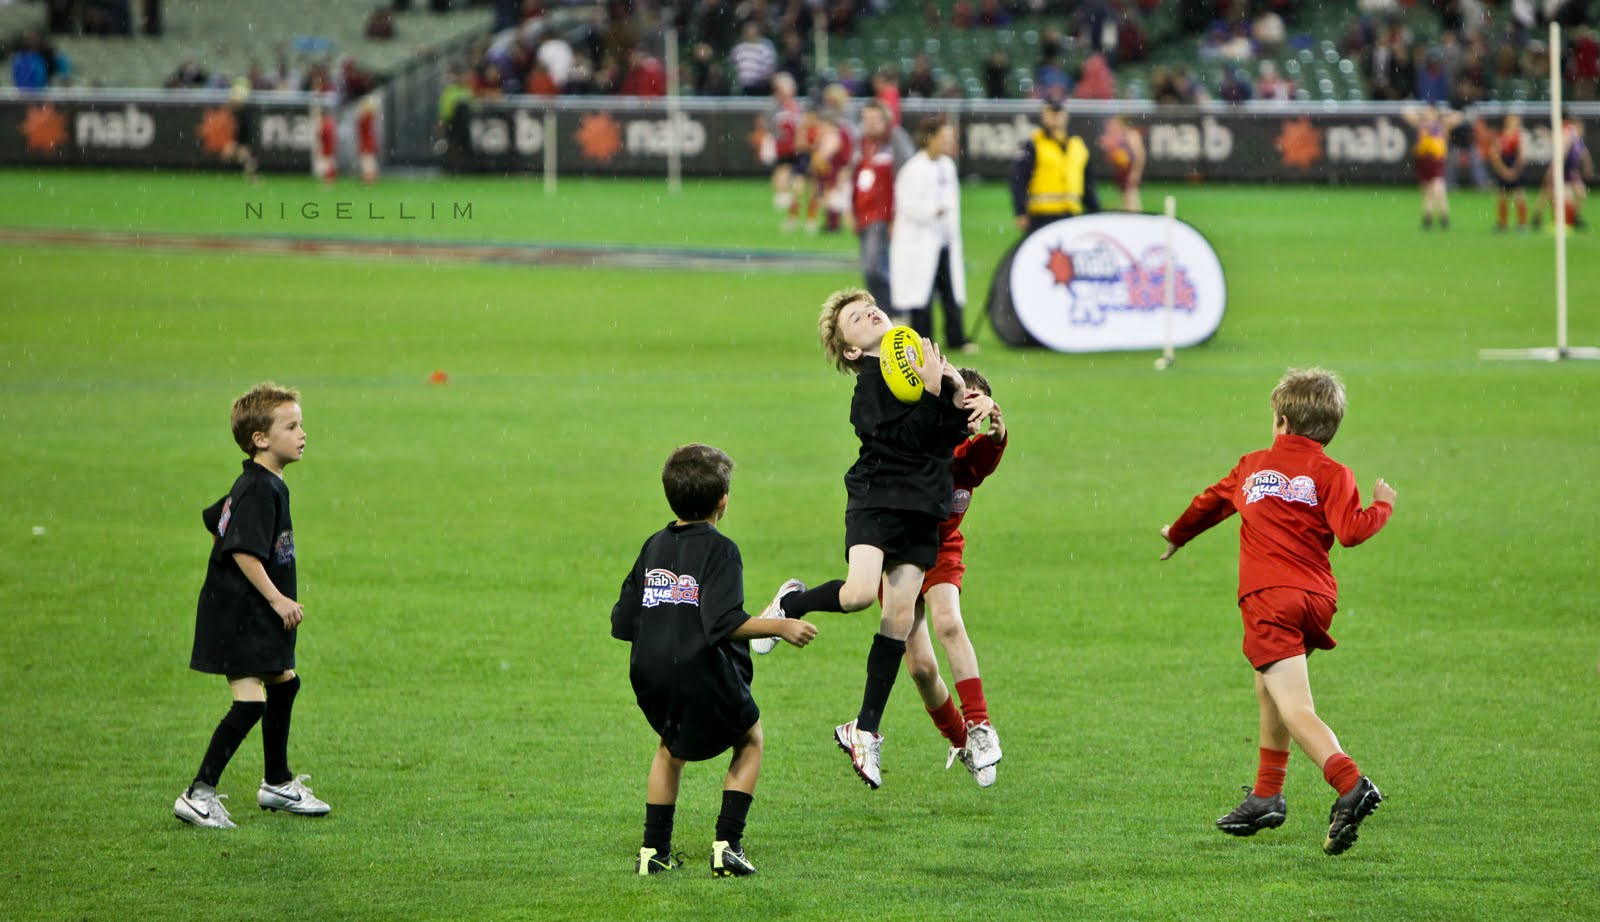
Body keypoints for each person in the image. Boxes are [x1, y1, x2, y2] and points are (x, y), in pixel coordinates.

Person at [750, 289, 987, 790]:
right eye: (856, 318)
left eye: (871, 307)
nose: (870, 313)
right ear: (852, 350)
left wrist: (953, 392)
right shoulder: (869, 389)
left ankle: (865, 730)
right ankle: (792, 601)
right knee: (859, 595)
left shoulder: (926, 361)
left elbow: (946, 441)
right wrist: (927, 393)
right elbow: (901, 442)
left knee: (897, 623)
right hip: (877, 500)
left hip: (924, 510)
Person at [1158, 368, 1396, 857]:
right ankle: (1267, 794)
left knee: (1294, 705)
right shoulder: (1334, 473)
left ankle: (1350, 783)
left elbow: (1210, 504)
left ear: (1282, 421)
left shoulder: (1251, 466)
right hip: (1316, 600)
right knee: (1268, 683)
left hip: (1269, 598)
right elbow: (1350, 532)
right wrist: (1381, 507)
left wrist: (1179, 534)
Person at [610, 444, 817, 876]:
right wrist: (780, 626)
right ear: (723, 501)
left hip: (649, 672)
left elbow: (623, 620)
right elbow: (723, 623)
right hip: (699, 671)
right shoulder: (721, 550)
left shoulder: (653, 546)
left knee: (670, 746)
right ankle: (727, 845)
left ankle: (653, 853)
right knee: (749, 738)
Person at [175, 383, 329, 828]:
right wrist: (275, 597)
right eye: (292, 426)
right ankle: (198, 793)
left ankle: (277, 783)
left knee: (284, 683)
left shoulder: (258, 483)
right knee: (250, 703)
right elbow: (242, 548)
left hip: (243, 610)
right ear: (260, 439)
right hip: (241, 615)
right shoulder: (260, 489)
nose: (302, 433)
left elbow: (216, 521)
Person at [901, 366, 1006, 787]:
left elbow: (993, 445)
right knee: (922, 669)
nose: (969, 417)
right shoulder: (921, 445)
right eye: (962, 403)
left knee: (948, 621)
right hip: (899, 552)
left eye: (975, 408)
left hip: (942, 550)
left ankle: (981, 727)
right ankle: (961, 740)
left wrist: (997, 422)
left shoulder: (970, 455)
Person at [892, 117, 971, 352]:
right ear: (930, 139)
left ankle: (956, 337)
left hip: (944, 240)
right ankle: (924, 341)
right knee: (920, 292)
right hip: (920, 241)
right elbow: (905, 205)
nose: (949, 143)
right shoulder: (913, 169)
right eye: (944, 138)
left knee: (950, 290)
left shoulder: (947, 166)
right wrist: (930, 212)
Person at [1011, 99, 1100, 235]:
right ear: (1043, 116)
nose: (1055, 118)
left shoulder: (1078, 145)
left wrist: (1094, 211)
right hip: (1041, 215)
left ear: (1065, 115)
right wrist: (1020, 211)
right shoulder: (1033, 143)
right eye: (1051, 113)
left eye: (1058, 113)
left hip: (1071, 215)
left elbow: (1087, 184)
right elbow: (1019, 179)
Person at [852, 101, 896, 312]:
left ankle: (892, 309)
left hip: (882, 215)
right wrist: (850, 211)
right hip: (863, 214)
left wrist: (896, 218)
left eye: (874, 119)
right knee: (872, 267)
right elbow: (854, 179)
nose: (869, 124)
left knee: (873, 267)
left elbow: (903, 182)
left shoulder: (895, 144)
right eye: (866, 119)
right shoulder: (862, 145)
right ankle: (884, 310)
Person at [1402, 104, 1462, 230]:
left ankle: (1443, 216)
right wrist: (1420, 117)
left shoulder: (1441, 125)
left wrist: (1445, 115)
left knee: (1438, 187)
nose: (1428, 114)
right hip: (1423, 160)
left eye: (1430, 112)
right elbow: (1405, 113)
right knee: (1427, 190)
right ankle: (1428, 217)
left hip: (1436, 160)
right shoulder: (1422, 124)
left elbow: (1459, 117)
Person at [1532, 112, 1594, 231]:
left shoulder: (1577, 139)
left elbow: (1584, 154)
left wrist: (1587, 166)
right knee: (1550, 193)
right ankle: (1539, 216)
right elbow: (1562, 150)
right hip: (1562, 168)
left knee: (1578, 193)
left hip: (1569, 169)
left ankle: (1574, 217)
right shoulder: (1569, 134)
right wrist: (1555, 168)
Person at [1098, 115, 1145, 213]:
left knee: (1131, 196)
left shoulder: (1132, 135)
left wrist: (1135, 172)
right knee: (1125, 197)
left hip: (1130, 170)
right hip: (1123, 171)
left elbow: (1139, 156)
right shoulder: (1121, 136)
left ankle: (1136, 218)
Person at [1490, 113, 1528, 233]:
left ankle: (1522, 223)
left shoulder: (1519, 136)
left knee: (1519, 195)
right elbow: (1494, 154)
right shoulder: (1501, 137)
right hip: (1505, 168)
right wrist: (1503, 170)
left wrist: (1514, 170)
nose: (1513, 123)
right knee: (1503, 196)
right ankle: (1503, 223)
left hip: (1515, 169)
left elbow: (1522, 156)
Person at [224, 79, 260, 183]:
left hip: (243, 139)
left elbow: (244, 129)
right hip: (242, 139)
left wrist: (240, 143)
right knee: (245, 158)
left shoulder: (243, 113)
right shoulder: (241, 113)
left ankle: (254, 177)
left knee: (245, 157)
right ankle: (252, 177)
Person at [357, 96, 380, 184]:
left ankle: (369, 178)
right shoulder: (369, 117)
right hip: (367, 141)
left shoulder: (367, 117)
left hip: (367, 142)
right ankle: (369, 178)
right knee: (368, 160)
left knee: (367, 161)